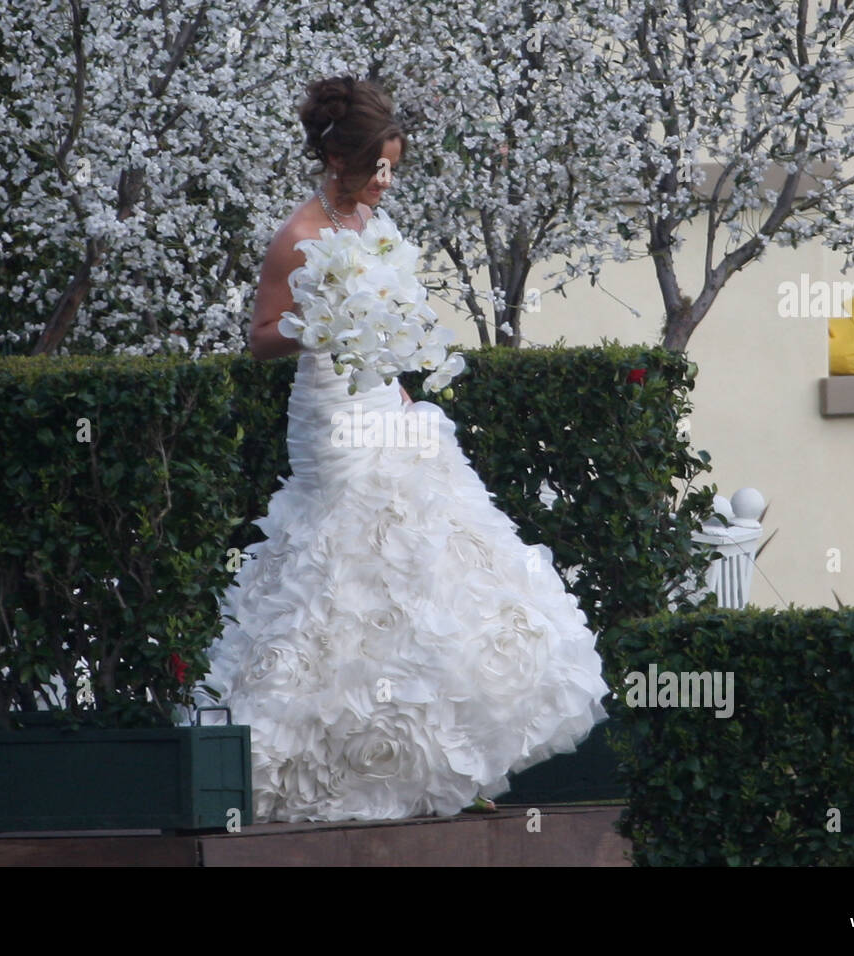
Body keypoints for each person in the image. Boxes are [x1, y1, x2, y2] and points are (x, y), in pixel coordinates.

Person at [195, 75, 609, 823]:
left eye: (392, 168)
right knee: (344, 574)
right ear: (339, 161)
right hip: (331, 417)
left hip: (387, 403)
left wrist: (400, 377)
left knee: (427, 565)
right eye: (377, 168)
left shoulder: (372, 223)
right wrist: (318, 321)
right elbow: (259, 338)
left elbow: (386, 319)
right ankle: (321, 765)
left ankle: (435, 763)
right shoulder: (297, 235)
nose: (386, 182)